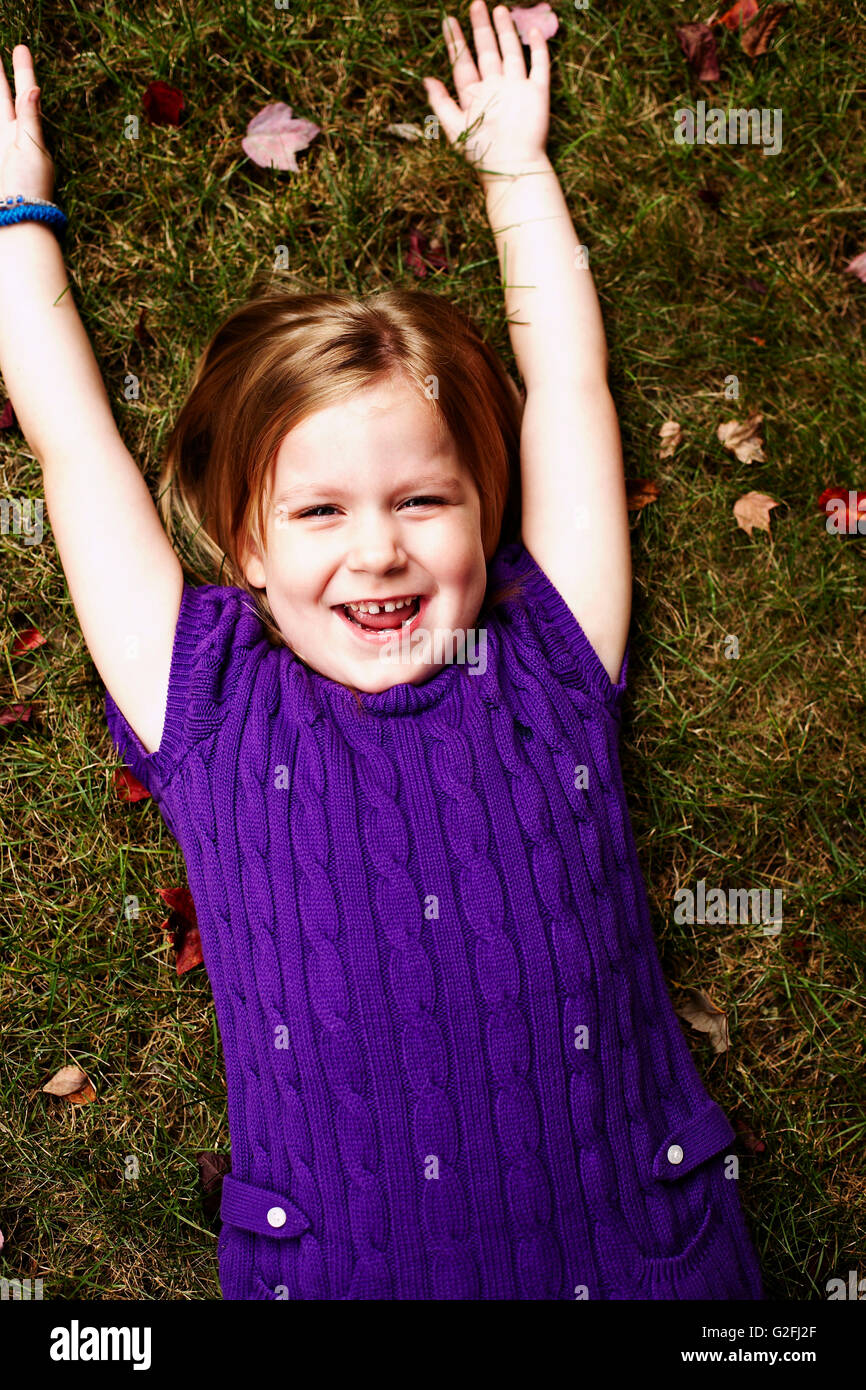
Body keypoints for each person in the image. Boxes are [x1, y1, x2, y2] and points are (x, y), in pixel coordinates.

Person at [0, 4, 764, 1300]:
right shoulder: (205, 697)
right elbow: (75, 449)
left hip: (640, 1259)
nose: (379, 552)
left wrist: (516, 173)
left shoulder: (547, 662)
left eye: (423, 501)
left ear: (487, 506)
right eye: (317, 512)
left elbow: (569, 393)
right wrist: (19, 220)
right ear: (240, 540)